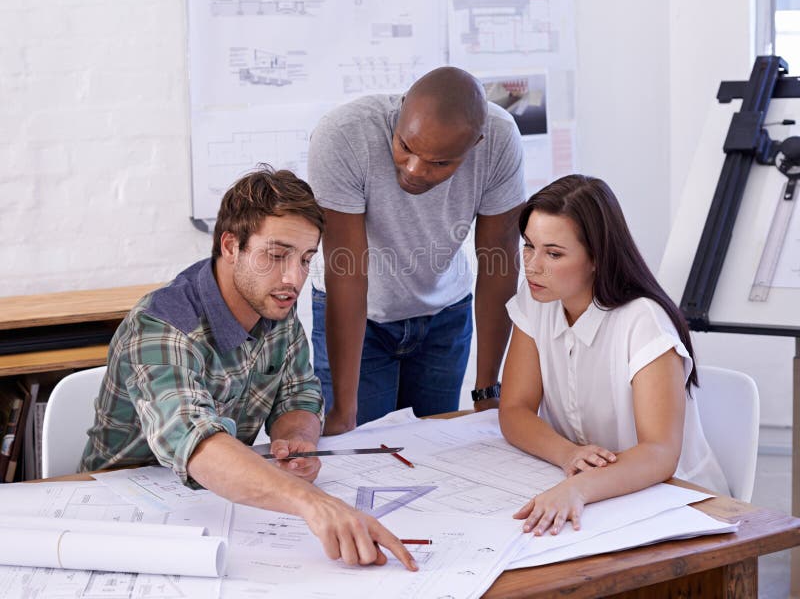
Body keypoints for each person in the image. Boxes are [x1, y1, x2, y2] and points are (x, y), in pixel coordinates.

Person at [80, 166, 416, 571]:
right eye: (276, 256)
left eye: (306, 259)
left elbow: (299, 393)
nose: (294, 278)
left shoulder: (273, 302)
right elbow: (196, 444)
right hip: (121, 511)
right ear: (230, 245)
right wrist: (314, 503)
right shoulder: (161, 325)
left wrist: (296, 439)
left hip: (218, 504)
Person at [498, 174, 728, 537]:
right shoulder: (536, 299)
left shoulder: (644, 321)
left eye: (553, 253)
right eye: (529, 245)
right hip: (600, 494)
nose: (532, 265)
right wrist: (567, 455)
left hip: (678, 500)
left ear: (596, 258)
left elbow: (660, 452)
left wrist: (577, 488)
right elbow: (514, 410)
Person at [307, 66, 525, 434]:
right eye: (405, 147)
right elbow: (347, 271)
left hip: (444, 317)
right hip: (359, 318)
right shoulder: (343, 136)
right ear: (401, 110)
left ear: (476, 144)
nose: (414, 170)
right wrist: (344, 408)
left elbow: (499, 263)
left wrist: (487, 388)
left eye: (439, 163)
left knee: (431, 451)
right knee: (357, 449)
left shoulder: (501, 140)